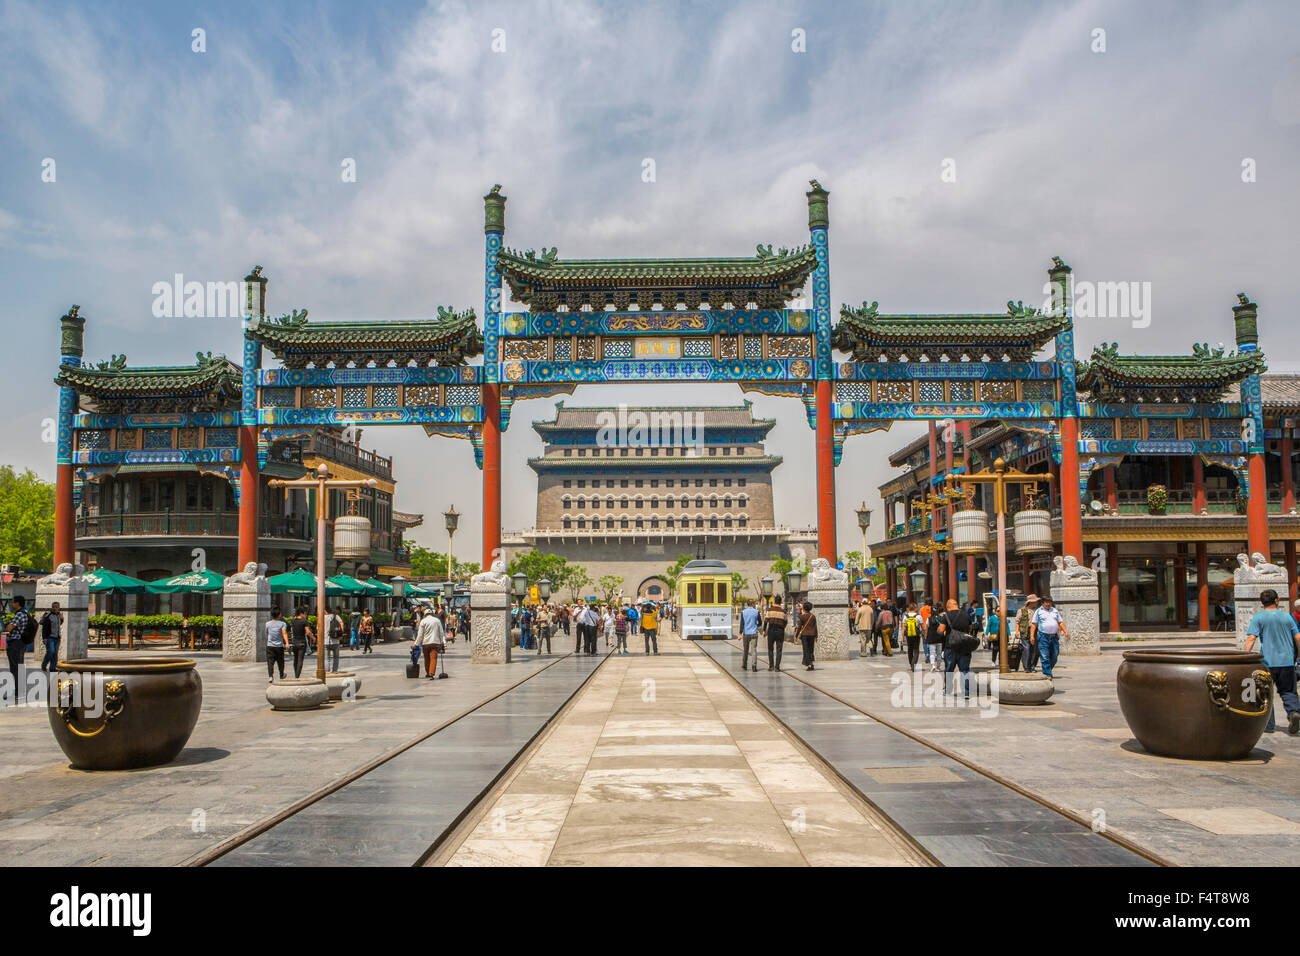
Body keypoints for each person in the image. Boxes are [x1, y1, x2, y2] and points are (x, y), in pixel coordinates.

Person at [1245, 588, 1300, 734]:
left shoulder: (1259, 618)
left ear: (1262, 602)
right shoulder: (1288, 617)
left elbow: (1251, 638)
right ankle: (1293, 712)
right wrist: (1298, 655)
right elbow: (1298, 637)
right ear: (1277, 600)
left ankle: (1268, 725)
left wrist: (1245, 656)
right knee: (1289, 691)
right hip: (1287, 662)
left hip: (1267, 663)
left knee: (1265, 693)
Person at [937, 598, 974, 697]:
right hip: (964, 646)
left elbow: (941, 630)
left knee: (949, 669)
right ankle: (966, 692)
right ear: (957, 605)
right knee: (965, 670)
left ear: (948, 607)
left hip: (951, 646)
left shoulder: (947, 616)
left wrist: (943, 632)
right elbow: (970, 628)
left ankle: (948, 690)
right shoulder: (966, 615)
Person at [1030, 594, 1068, 679]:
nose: (1048, 604)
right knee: (1044, 656)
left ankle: (1048, 670)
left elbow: (1060, 622)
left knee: (1055, 655)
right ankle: (1047, 674)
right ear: (1043, 603)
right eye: (1046, 602)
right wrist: (1032, 636)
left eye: (1049, 602)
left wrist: (1066, 631)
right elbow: (1034, 624)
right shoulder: (1038, 611)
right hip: (1043, 637)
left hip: (1054, 637)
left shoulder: (1054, 611)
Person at [5, 595, 33, 700]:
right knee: (19, 666)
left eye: (13, 602)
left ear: (17, 603)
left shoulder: (19, 615)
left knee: (15, 668)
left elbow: (9, 628)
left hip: (15, 643)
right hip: (21, 643)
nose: (12, 604)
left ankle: (18, 692)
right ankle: (20, 691)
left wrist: (9, 626)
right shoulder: (25, 613)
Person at [415, 606, 446, 679]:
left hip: (425, 643)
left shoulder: (423, 621)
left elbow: (420, 635)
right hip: (435, 643)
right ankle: (431, 673)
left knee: (426, 658)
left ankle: (428, 673)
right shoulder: (437, 620)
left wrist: (416, 644)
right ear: (432, 614)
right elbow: (441, 633)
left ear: (425, 614)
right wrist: (442, 642)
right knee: (433, 658)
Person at [1017, 595, 1040, 672]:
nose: (1036, 603)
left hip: (1034, 630)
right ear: (1031, 602)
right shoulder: (1021, 610)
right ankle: (1026, 667)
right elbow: (1017, 621)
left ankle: (1032, 666)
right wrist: (1017, 632)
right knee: (1027, 648)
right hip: (1025, 631)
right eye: (1035, 601)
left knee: (1034, 649)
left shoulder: (1036, 610)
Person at [764, 595, 788, 671]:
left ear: (774, 601)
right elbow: (785, 622)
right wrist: (782, 628)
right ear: (780, 602)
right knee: (779, 649)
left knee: (770, 649)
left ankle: (771, 666)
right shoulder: (783, 612)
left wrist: (764, 631)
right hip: (780, 631)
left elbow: (765, 621)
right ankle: (777, 667)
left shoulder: (769, 610)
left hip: (771, 631)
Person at [288, 607, 313, 678]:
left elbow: (292, 630)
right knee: (300, 660)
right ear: (301, 613)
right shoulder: (304, 621)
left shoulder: (293, 620)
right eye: (305, 614)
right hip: (302, 642)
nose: (306, 615)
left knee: (295, 659)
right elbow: (308, 632)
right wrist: (313, 638)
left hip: (295, 642)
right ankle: (297, 675)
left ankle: (296, 673)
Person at [265, 608, 289, 682]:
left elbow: (267, 633)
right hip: (279, 646)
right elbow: (284, 633)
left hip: (270, 645)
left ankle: (270, 676)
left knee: (270, 661)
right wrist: (287, 643)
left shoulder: (267, 624)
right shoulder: (282, 624)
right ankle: (281, 674)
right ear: (279, 615)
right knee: (280, 661)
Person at [39, 601, 63, 673]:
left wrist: (62, 619)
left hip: (57, 637)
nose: (55, 608)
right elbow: (45, 628)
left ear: (59, 608)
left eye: (57, 607)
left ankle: (53, 667)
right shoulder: (48, 616)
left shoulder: (59, 615)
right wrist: (44, 638)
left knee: (55, 653)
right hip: (50, 637)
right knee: (50, 651)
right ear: (52, 607)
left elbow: (59, 624)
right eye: (54, 607)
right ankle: (44, 665)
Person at [740, 599, 761, 672]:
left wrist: (740, 633)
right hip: (754, 633)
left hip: (746, 633)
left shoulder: (743, 612)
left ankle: (744, 665)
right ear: (752, 604)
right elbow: (760, 623)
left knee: (745, 650)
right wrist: (755, 625)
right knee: (754, 650)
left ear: (747, 604)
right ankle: (754, 666)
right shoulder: (756, 612)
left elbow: (742, 624)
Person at [924, 600, 945, 672]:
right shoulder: (941, 618)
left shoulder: (928, 619)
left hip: (931, 638)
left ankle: (933, 665)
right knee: (939, 653)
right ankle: (938, 666)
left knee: (932, 653)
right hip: (939, 638)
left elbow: (926, 629)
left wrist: (925, 636)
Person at [902, 602, 923, 671]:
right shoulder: (918, 616)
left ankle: (911, 663)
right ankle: (914, 663)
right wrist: (924, 634)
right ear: (915, 608)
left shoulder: (905, 616)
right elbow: (922, 627)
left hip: (908, 635)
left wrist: (903, 637)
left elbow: (903, 628)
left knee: (910, 650)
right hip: (916, 635)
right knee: (916, 650)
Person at [797, 601, 818, 670]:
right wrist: (816, 636)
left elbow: (799, 627)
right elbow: (815, 627)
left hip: (805, 635)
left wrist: (796, 635)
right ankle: (811, 663)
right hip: (812, 635)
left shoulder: (802, 617)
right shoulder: (813, 616)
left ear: (804, 608)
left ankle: (809, 664)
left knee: (806, 650)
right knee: (811, 649)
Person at [322, 604, 343, 674]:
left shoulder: (322, 618)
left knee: (326, 658)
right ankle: (334, 671)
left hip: (325, 640)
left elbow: (318, 629)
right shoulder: (336, 616)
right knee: (336, 657)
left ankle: (327, 672)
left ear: (325, 611)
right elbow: (341, 623)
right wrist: (341, 634)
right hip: (336, 640)